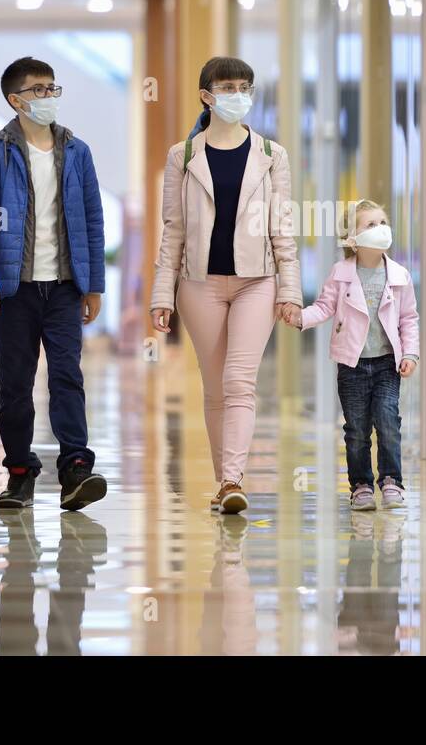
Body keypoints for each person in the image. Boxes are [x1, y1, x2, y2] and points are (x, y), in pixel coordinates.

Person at [150, 56, 302, 515]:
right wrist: (162, 295)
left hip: (258, 282)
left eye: (244, 86)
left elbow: (284, 229)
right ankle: (224, 485)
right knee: (215, 388)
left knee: (240, 381)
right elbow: (172, 230)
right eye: (228, 87)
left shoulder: (273, 155)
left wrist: (290, 291)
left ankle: (235, 479)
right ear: (206, 95)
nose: (237, 94)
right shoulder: (184, 155)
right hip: (199, 285)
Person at [0, 56, 109, 512]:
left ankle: (75, 470)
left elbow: (92, 220)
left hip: (64, 287)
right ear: (16, 100)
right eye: (39, 90)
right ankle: (20, 472)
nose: (49, 97)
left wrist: (94, 284)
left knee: (68, 377)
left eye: (52, 88)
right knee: (15, 385)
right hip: (14, 291)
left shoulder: (77, 151)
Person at [293, 199, 419, 511]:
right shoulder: (341, 273)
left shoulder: (400, 275)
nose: (380, 230)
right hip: (352, 365)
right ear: (353, 239)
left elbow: (409, 319)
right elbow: (324, 306)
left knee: (388, 419)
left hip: (388, 363)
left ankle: (392, 480)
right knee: (357, 428)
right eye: (370, 225)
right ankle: (360, 484)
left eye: (382, 222)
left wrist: (411, 354)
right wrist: (300, 318)